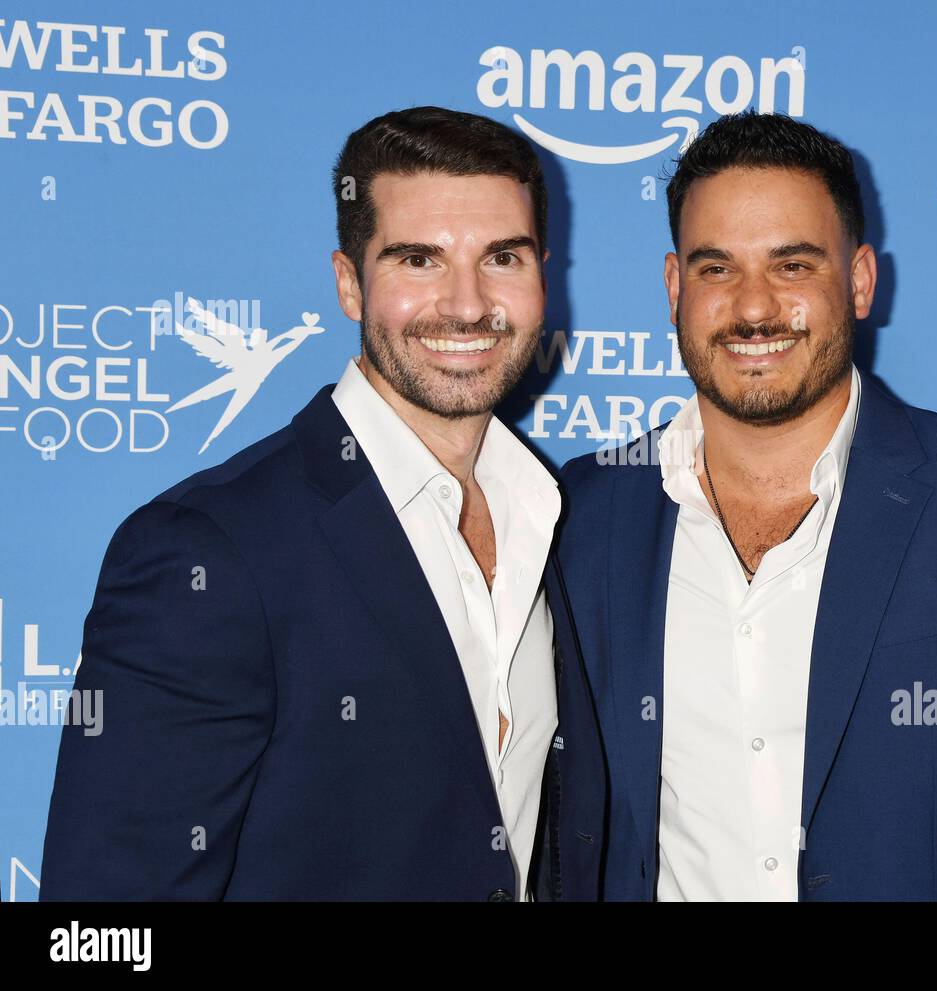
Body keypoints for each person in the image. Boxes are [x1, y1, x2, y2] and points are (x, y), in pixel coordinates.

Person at [556, 109, 937, 901]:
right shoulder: (579, 514)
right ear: (674, 286)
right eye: (717, 268)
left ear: (858, 281)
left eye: (792, 266)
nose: (754, 309)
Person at [40, 106, 603, 901]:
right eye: (419, 260)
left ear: (542, 273)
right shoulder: (209, 549)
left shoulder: (551, 517)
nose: (468, 303)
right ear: (349, 282)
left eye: (501, 257)